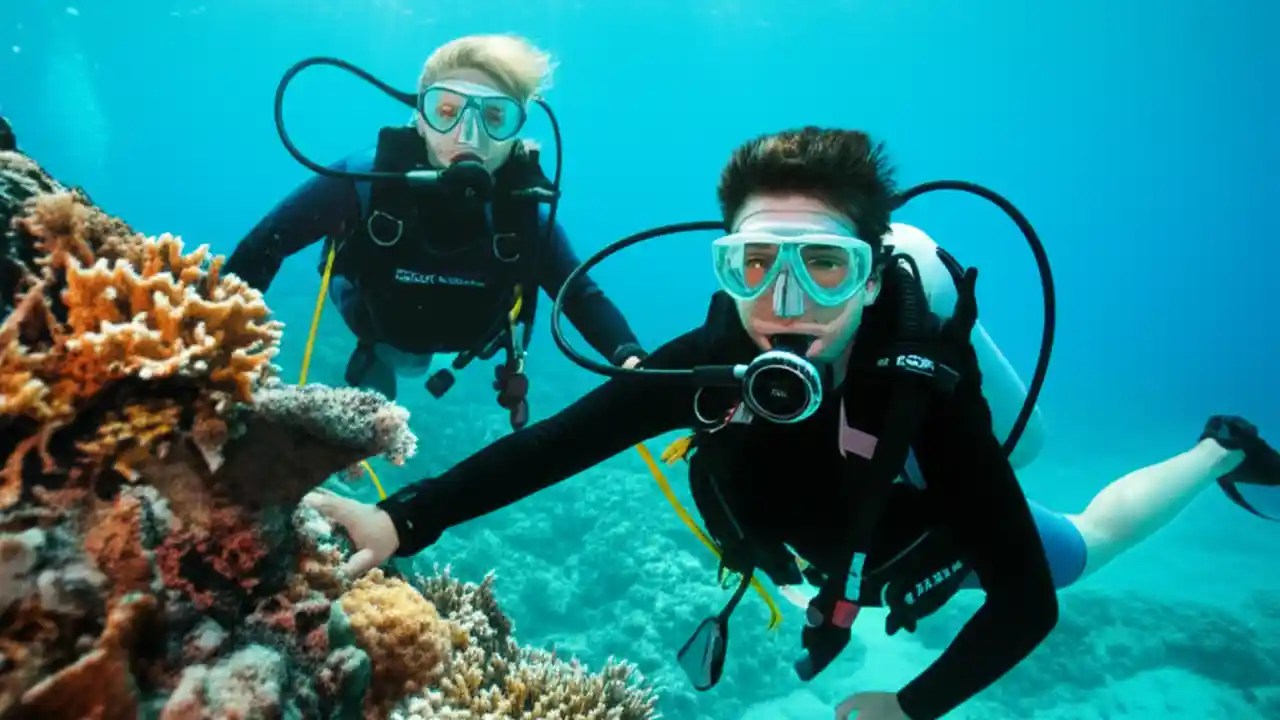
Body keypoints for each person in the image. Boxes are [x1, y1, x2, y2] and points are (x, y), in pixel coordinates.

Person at [304, 127, 1280, 720]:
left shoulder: (921, 385)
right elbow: (559, 445)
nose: (784, 301)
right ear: (723, 267)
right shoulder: (714, 356)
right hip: (801, 543)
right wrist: (404, 520)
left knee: (1087, 544)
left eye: (824, 266)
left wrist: (911, 704)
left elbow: (1025, 605)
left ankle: (1218, 446)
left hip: (915, 530)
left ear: (868, 274)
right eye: (755, 264)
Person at [223, 34, 645, 428]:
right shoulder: (363, 181)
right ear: (419, 117)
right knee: (393, 359)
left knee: (407, 361)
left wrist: (632, 361)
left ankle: (382, 361)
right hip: (370, 315)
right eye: (447, 110)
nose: (468, 135)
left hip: (464, 335)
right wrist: (215, 346)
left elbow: (580, 296)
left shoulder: (524, 214)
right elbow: (267, 244)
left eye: (495, 115)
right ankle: (373, 356)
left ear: (518, 129)